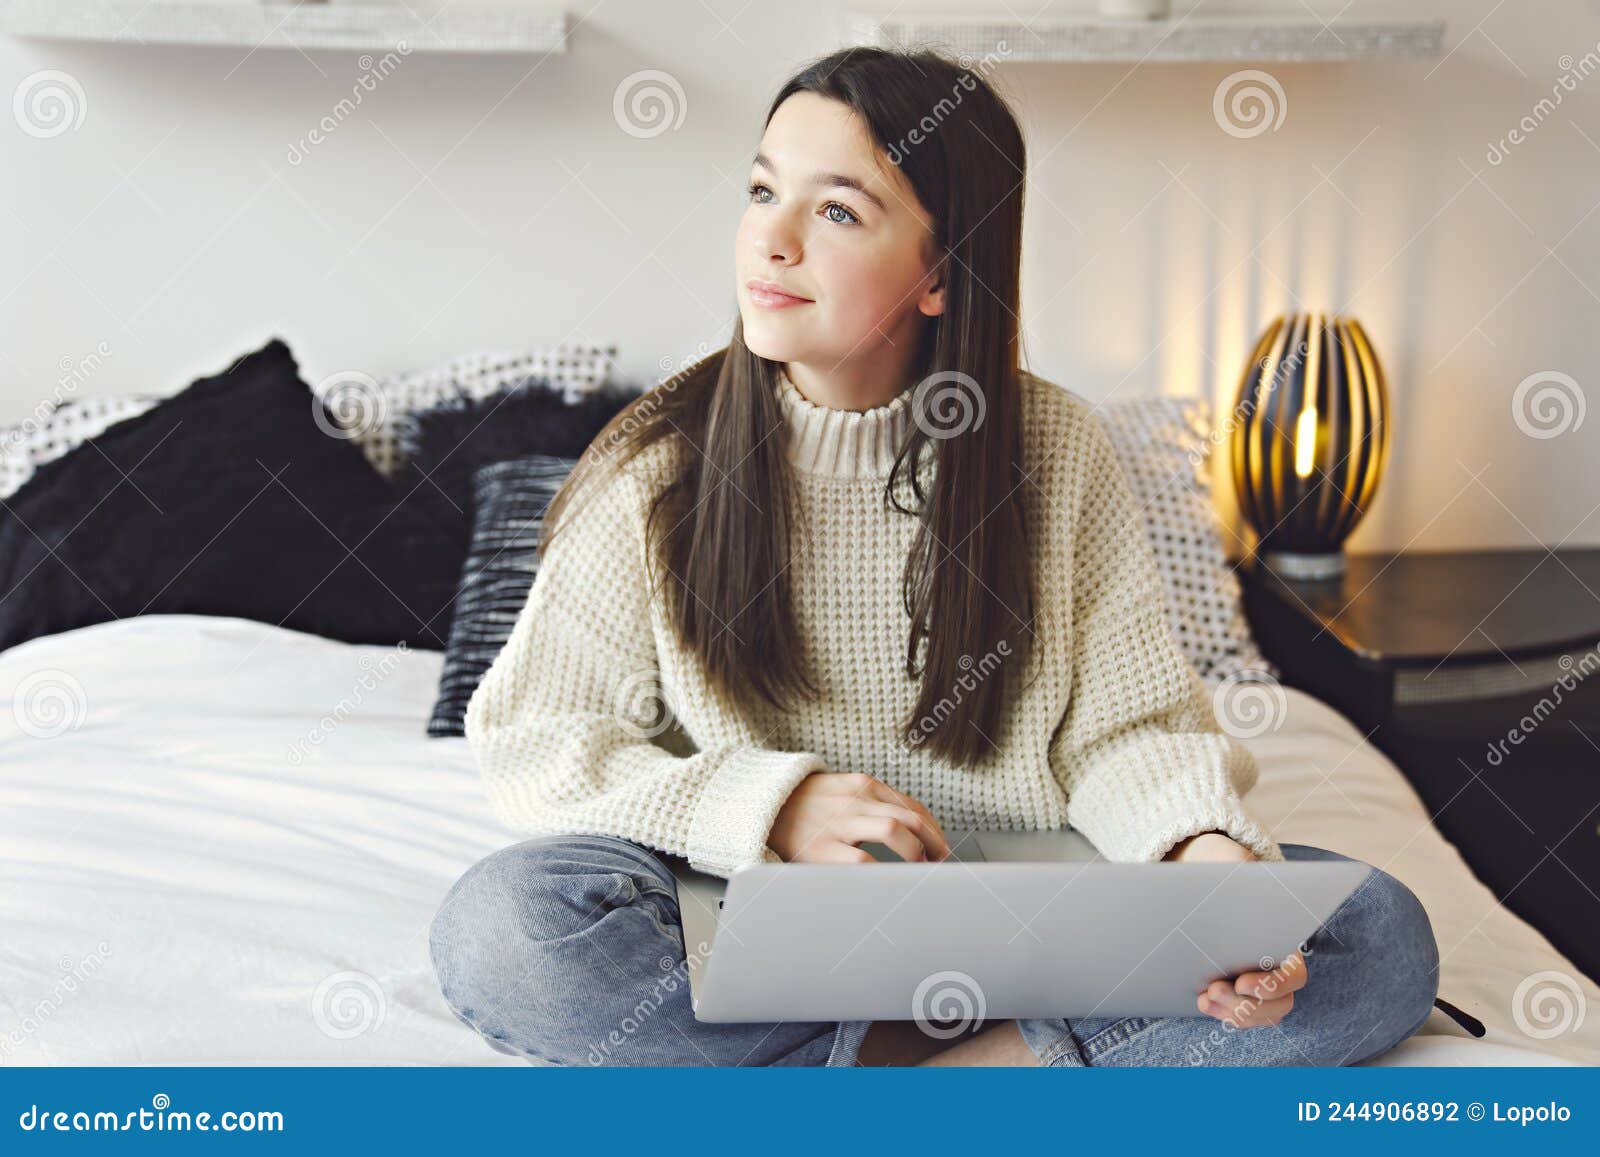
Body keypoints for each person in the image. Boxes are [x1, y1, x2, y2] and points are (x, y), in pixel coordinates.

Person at [428, 46, 1440, 1067]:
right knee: (507, 927)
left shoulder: (1059, 453)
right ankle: (1015, 1067)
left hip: (1040, 909)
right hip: (758, 907)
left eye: (835, 211)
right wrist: (772, 807)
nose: (768, 240)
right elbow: (538, 739)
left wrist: (1207, 860)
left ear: (941, 274)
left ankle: (863, 1072)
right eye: (761, 188)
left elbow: (1123, 734)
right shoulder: (655, 462)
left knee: (1373, 930)